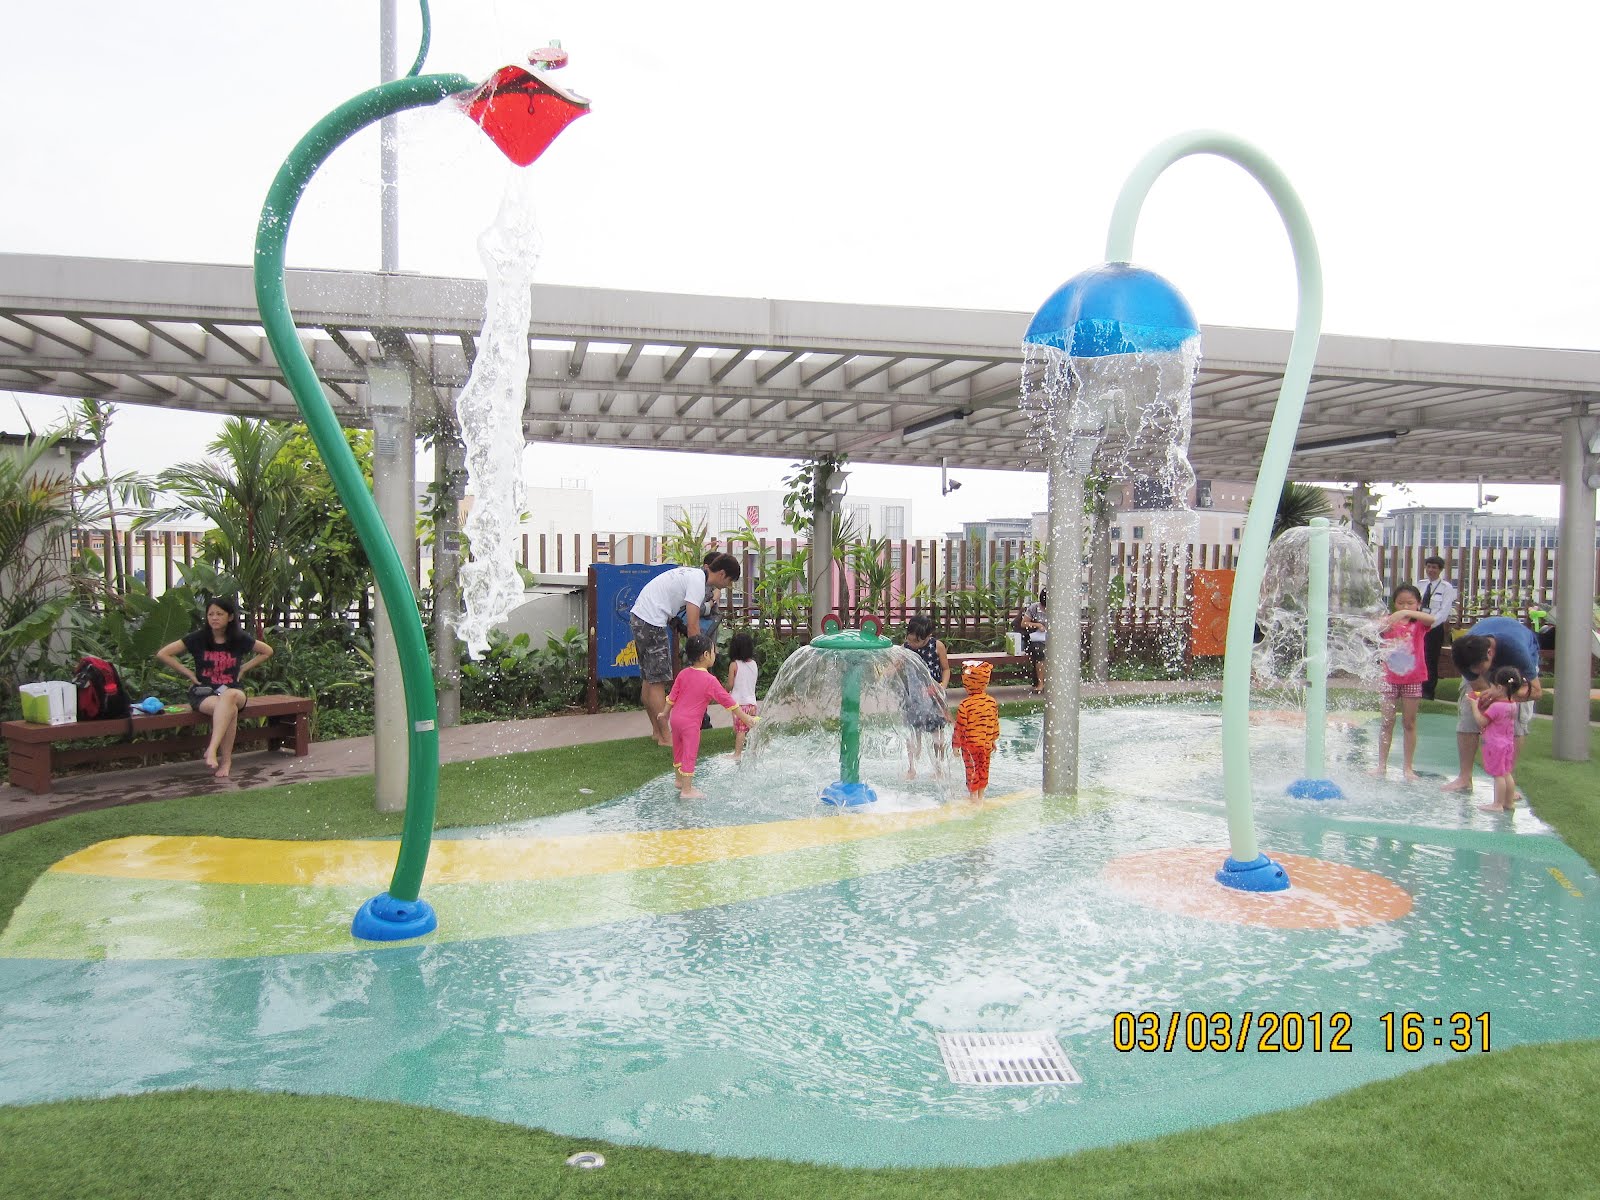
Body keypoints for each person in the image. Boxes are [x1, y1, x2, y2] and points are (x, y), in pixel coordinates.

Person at [155, 596, 273, 780]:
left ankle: (212, 748)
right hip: (205, 692)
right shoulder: (197, 638)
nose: (214, 618)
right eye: (211, 614)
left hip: (233, 689)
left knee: (229, 697)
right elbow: (164, 653)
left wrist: (243, 668)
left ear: (230, 617)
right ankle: (225, 761)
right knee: (229, 709)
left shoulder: (239, 639)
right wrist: (189, 674)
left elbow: (267, 651)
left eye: (219, 614)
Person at [630, 552, 741, 746]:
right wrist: (701, 661)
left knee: (649, 679)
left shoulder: (693, 575)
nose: (728, 586)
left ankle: (658, 733)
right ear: (722, 574)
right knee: (657, 680)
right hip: (652, 621)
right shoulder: (698, 583)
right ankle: (666, 737)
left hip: (641, 617)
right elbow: (693, 627)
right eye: (730, 581)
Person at [1440, 616, 1542, 795]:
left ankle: (1507, 779)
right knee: (1468, 716)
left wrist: (1502, 695)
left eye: (1481, 668)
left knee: (1515, 722)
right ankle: (1464, 777)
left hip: (1516, 671)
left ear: (1489, 653)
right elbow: (1478, 686)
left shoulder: (1515, 650)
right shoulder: (1463, 653)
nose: (1479, 673)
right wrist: (1486, 701)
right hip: (1482, 658)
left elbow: (1536, 691)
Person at [662, 634, 750, 799]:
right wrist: (745, 718)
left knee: (678, 749)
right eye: (713, 652)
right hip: (690, 724)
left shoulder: (683, 674)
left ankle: (679, 780)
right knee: (689, 753)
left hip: (676, 720)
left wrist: (664, 713)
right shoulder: (710, 680)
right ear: (705, 655)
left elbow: (672, 696)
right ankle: (687, 790)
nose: (715, 655)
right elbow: (727, 700)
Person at [1372, 584, 1434, 780]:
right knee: (1387, 722)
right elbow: (1375, 627)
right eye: (1400, 603)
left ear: (1418, 604)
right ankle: (1381, 765)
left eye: (1410, 603)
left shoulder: (1419, 624)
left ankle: (1408, 767)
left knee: (1409, 723)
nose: (1405, 607)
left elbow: (1432, 619)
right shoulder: (1390, 622)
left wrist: (1407, 612)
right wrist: (1394, 617)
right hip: (1389, 678)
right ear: (1394, 603)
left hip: (1413, 679)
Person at [1472, 665, 1527, 815]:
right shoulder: (1512, 705)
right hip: (1507, 744)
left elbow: (1482, 721)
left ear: (1500, 688)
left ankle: (1497, 803)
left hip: (1495, 744)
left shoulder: (1496, 706)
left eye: (1493, 687)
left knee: (1498, 775)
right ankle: (1509, 802)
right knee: (1506, 773)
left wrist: (1474, 706)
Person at [901, 615, 950, 780]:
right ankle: (911, 769)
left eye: (917, 642)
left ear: (928, 637)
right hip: (913, 698)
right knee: (913, 738)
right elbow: (895, 665)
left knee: (938, 738)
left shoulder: (937, 646)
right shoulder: (905, 648)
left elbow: (946, 669)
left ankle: (939, 768)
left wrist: (942, 686)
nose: (913, 644)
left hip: (933, 698)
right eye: (911, 640)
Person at [951, 658, 1000, 803]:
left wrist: (955, 745)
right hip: (985, 744)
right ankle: (981, 795)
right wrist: (992, 740)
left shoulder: (965, 705)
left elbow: (960, 727)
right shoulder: (991, 702)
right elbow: (994, 723)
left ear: (967, 683)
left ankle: (973, 797)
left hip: (970, 746)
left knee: (972, 769)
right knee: (983, 768)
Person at [1415, 555, 1457, 700]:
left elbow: (1444, 611)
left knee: (1430, 659)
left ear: (1440, 570)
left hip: (1434, 629)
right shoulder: (1420, 585)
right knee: (1417, 657)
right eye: (1429, 566)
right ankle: (1415, 688)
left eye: (1434, 567)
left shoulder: (1446, 588)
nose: (1431, 570)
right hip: (1418, 627)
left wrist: (1429, 624)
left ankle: (1428, 692)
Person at [725, 630, 760, 763]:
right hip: (752, 702)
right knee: (751, 728)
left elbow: (730, 684)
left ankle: (737, 754)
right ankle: (754, 751)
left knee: (740, 730)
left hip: (739, 704)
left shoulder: (734, 665)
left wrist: (724, 690)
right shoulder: (754, 664)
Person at [1020, 588, 1048, 695]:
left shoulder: (1057, 608)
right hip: (1036, 638)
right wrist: (1037, 625)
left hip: (1051, 638)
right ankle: (1040, 683)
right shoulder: (1034, 608)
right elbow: (1024, 623)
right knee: (1039, 652)